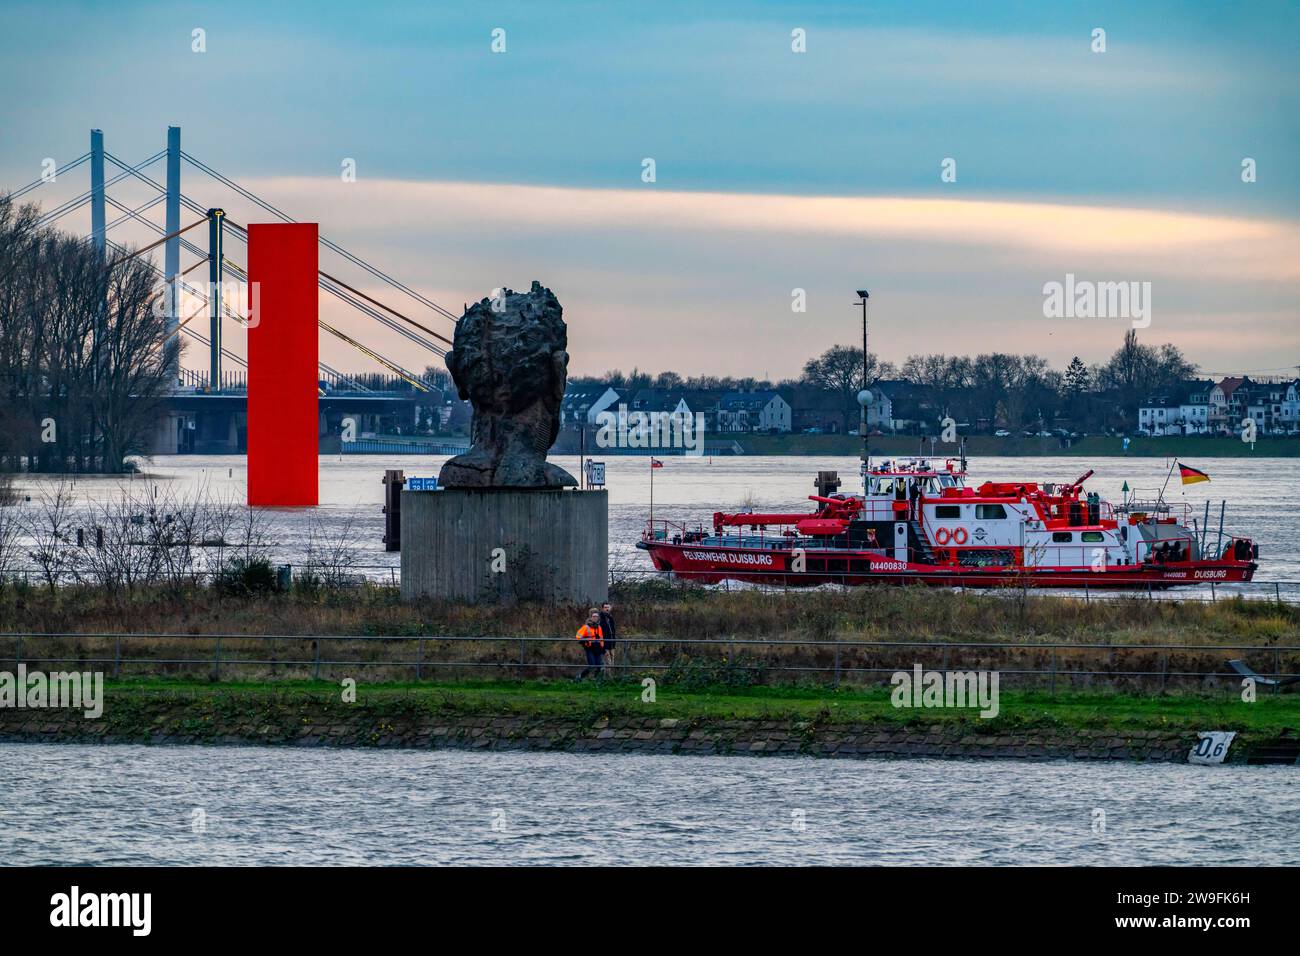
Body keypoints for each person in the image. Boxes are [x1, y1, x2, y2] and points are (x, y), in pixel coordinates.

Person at [574, 608, 605, 680]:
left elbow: (601, 638)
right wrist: (584, 641)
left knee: (599, 666)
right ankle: (579, 677)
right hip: (590, 648)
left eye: (597, 616)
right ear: (590, 617)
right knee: (592, 666)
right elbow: (578, 636)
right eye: (594, 616)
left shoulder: (599, 627)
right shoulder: (586, 627)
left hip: (598, 649)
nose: (595, 618)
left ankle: (597, 681)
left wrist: (602, 648)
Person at [598, 601, 617, 675]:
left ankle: (609, 678)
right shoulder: (600, 618)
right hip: (605, 644)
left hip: (612, 644)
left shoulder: (611, 618)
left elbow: (613, 630)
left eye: (608, 607)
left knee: (612, 662)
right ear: (602, 608)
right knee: (608, 662)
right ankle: (608, 679)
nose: (607, 609)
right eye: (605, 607)